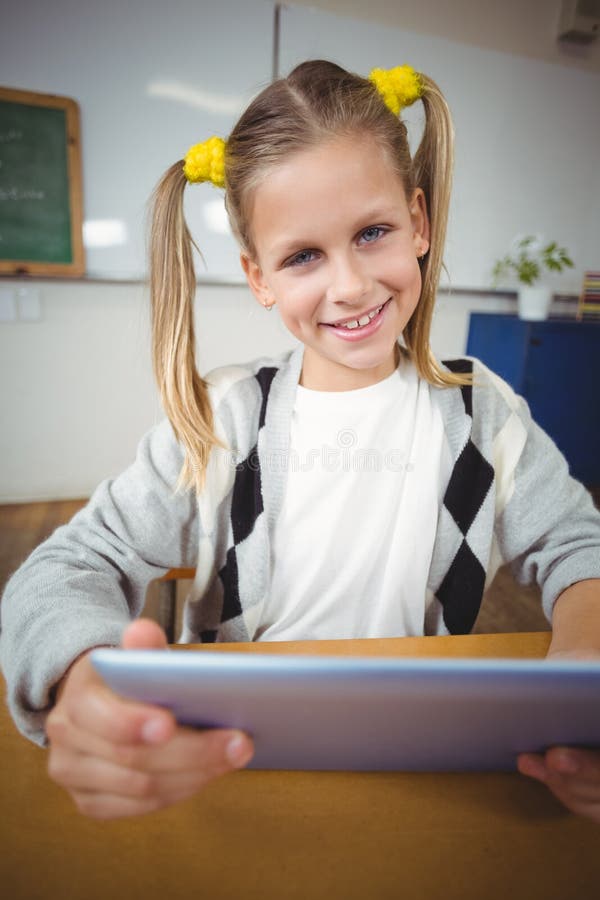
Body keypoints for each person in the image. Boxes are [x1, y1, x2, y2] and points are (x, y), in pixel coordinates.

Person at [1, 60, 600, 823]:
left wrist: (586, 669)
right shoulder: (219, 418)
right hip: (225, 769)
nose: (349, 285)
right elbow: (67, 565)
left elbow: (581, 545)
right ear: (259, 277)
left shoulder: (485, 414)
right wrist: (80, 675)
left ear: (419, 222)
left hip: (414, 769)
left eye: (373, 232)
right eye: (303, 256)